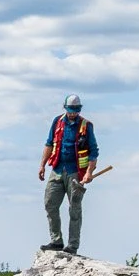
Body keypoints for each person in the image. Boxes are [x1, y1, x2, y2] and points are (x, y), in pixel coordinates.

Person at [38, 94, 98, 253]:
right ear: (65, 108)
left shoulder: (86, 126)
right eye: (70, 110)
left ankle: (72, 246)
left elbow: (93, 152)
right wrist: (42, 165)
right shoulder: (57, 122)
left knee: (75, 209)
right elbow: (49, 143)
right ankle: (56, 241)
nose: (73, 113)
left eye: (75, 110)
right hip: (57, 169)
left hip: (76, 173)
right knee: (50, 204)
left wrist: (89, 173)